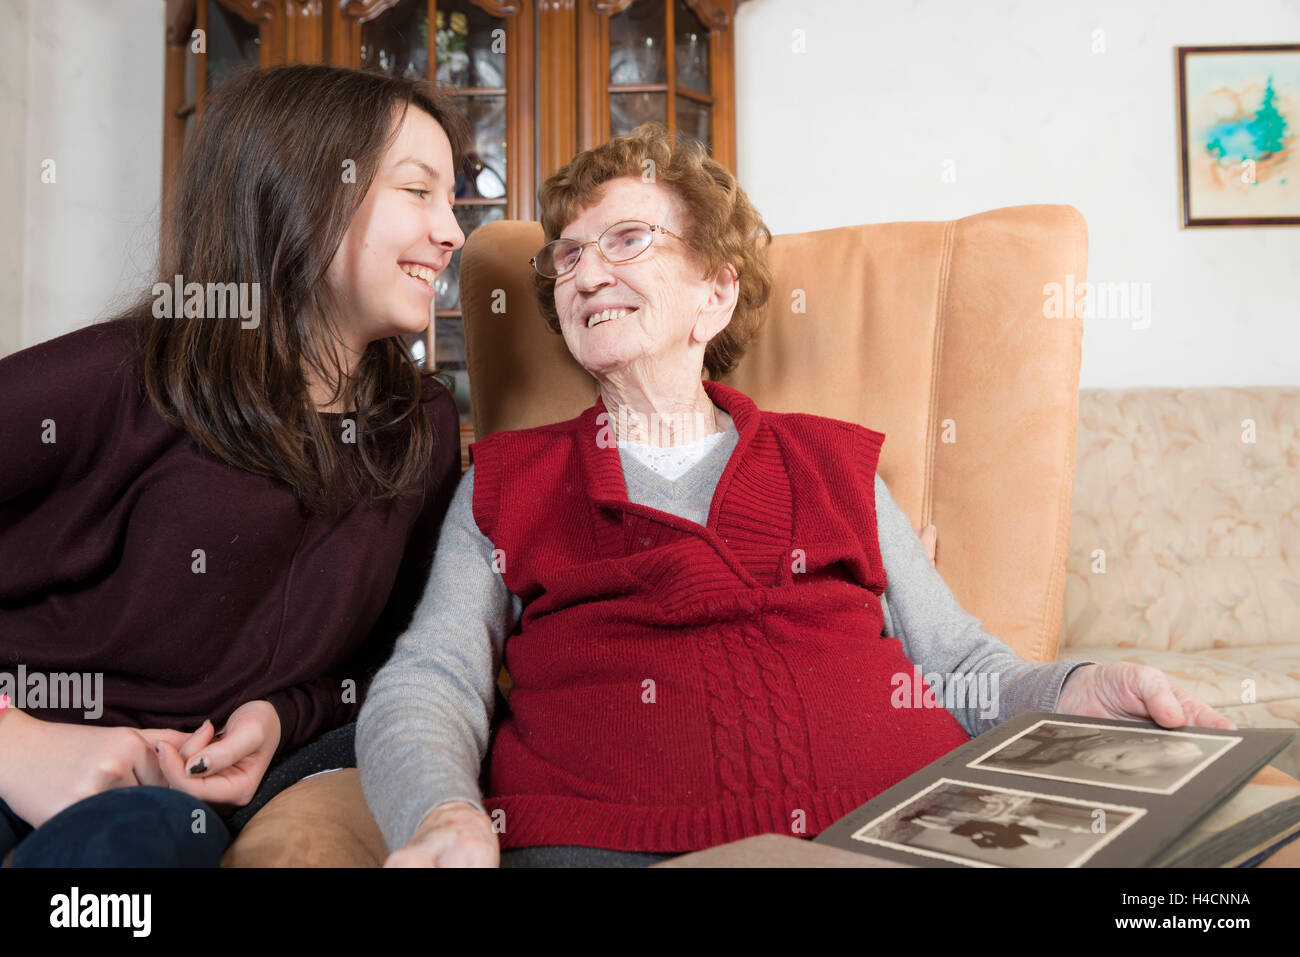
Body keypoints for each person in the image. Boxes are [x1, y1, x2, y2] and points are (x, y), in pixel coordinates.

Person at [356, 122, 1235, 869]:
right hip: (613, 842)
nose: (583, 274)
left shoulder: (828, 462)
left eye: (626, 241)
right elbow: (432, 679)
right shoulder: (512, 480)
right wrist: (441, 810)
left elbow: (964, 669)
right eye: (569, 256)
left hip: (905, 830)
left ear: (715, 291)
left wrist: (1081, 687)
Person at [0, 64, 467, 866]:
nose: (453, 232)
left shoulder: (419, 428)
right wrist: (14, 742)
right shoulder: (121, 376)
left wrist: (283, 714)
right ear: (304, 191)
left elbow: (390, 659)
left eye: (451, 200)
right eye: (419, 191)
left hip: (151, 814)